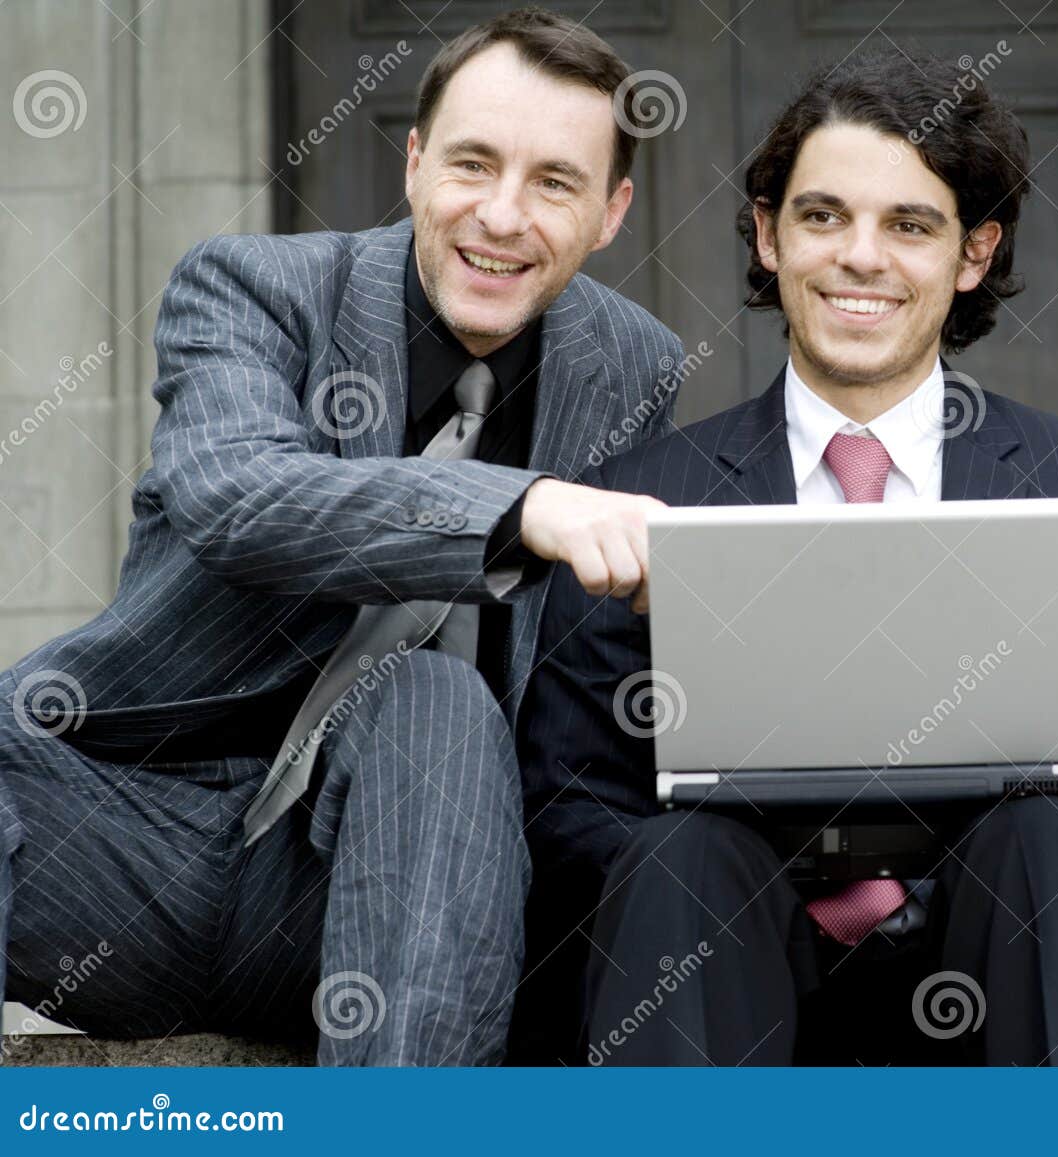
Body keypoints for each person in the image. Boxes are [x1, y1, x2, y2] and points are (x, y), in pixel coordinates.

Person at [0, 6, 676, 1065]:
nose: (502, 215)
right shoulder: (255, 288)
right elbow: (239, 497)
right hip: (121, 833)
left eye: (554, 181)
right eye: (471, 164)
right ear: (412, 164)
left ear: (610, 211)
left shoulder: (630, 366)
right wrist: (520, 507)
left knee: (440, 702)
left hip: (383, 883)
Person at [521, 49, 1058, 1066]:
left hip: (1005, 953)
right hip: (723, 966)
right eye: (821, 216)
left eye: (909, 224)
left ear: (973, 252)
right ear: (766, 235)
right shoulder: (639, 495)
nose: (861, 256)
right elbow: (567, 793)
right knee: (676, 855)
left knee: (1047, 839)